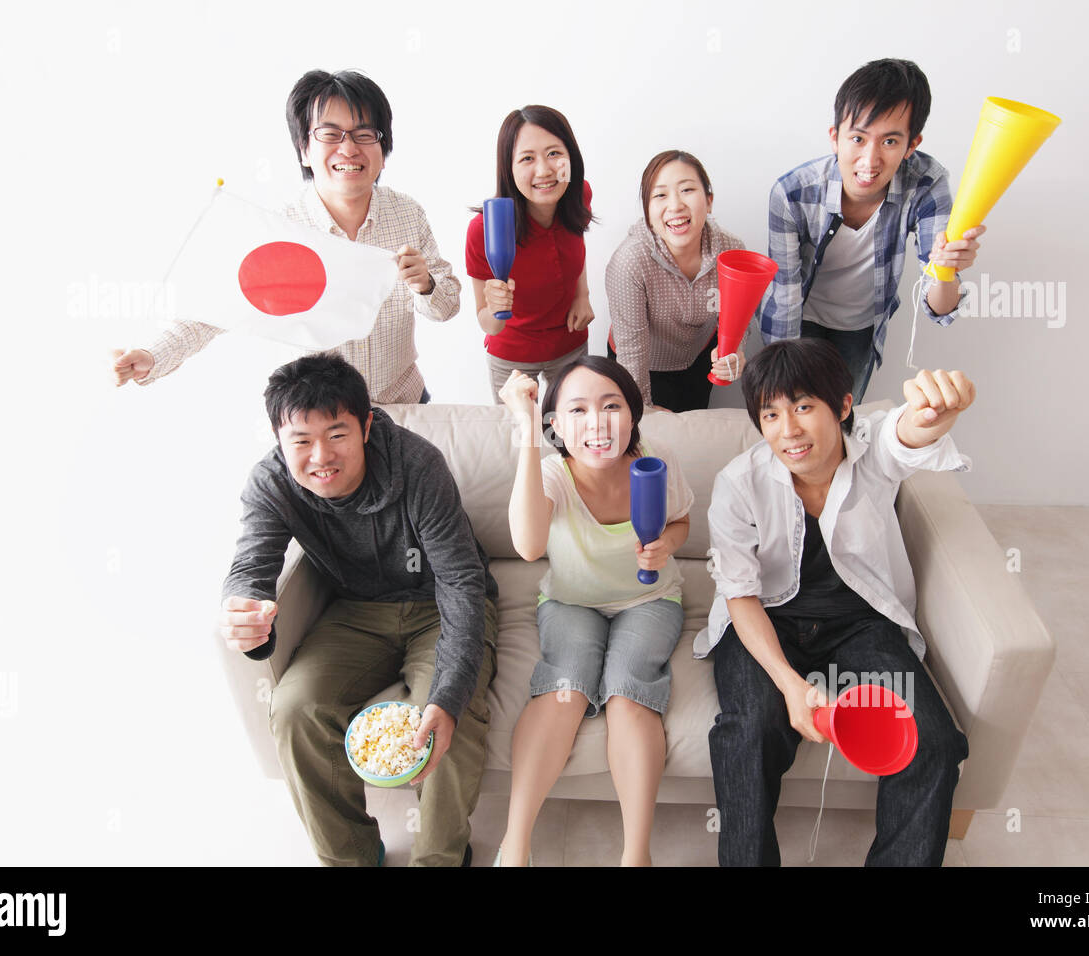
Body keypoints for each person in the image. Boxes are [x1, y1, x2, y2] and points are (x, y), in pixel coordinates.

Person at [218, 353, 497, 866]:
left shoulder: (417, 464)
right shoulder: (271, 482)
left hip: (440, 604)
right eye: (300, 440)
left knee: (445, 714)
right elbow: (252, 561)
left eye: (337, 434)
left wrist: (450, 697)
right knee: (295, 707)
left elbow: (460, 580)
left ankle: (441, 858)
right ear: (278, 439)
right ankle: (351, 857)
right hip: (355, 611)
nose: (320, 456)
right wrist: (244, 609)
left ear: (366, 425)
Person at [700, 339, 973, 866]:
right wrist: (791, 686)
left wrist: (936, 414)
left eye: (804, 406)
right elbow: (740, 593)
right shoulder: (738, 483)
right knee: (749, 733)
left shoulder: (872, 449)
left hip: (860, 624)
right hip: (767, 622)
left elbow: (907, 433)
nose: (789, 430)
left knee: (932, 742)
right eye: (771, 414)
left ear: (843, 407)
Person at [111, 70, 459, 403]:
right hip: (318, 423)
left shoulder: (407, 214)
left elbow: (446, 308)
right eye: (330, 133)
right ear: (304, 149)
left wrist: (425, 285)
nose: (349, 149)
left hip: (403, 404)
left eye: (364, 134)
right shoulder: (280, 229)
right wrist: (151, 356)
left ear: (383, 150)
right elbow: (214, 310)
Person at [496, 356, 692, 866]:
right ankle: (515, 847)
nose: (598, 423)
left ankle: (635, 855)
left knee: (629, 693)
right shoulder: (552, 474)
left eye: (612, 406)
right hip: (570, 601)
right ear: (557, 424)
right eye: (578, 410)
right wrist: (525, 430)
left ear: (633, 414)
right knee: (565, 689)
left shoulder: (658, 459)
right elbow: (528, 545)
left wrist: (666, 545)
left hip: (650, 600)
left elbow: (682, 522)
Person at [758, 58, 985, 404]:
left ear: (912, 145)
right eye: (858, 138)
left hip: (860, 328)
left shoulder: (927, 183)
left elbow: (940, 308)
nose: (869, 159)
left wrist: (946, 270)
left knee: (842, 422)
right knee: (793, 409)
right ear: (835, 137)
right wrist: (781, 386)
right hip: (798, 317)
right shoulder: (792, 192)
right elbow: (785, 295)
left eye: (890, 142)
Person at [467, 105, 595, 402]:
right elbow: (487, 323)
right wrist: (496, 309)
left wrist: (582, 294)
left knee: (569, 437)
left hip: (570, 341)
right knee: (521, 439)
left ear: (571, 157)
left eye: (554, 154)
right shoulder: (483, 229)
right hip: (513, 355)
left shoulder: (579, 196)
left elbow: (577, 243)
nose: (544, 170)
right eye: (527, 158)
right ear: (508, 168)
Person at [605, 149, 748, 411]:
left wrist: (735, 353)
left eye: (687, 190)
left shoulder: (732, 250)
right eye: (660, 195)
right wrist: (644, 408)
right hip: (640, 365)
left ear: (709, 200)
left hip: (697, 360)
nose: (675, 206)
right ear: (647, 210)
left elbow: (738, 318)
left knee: (690, 438)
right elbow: (632, 354)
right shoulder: (629, 262)